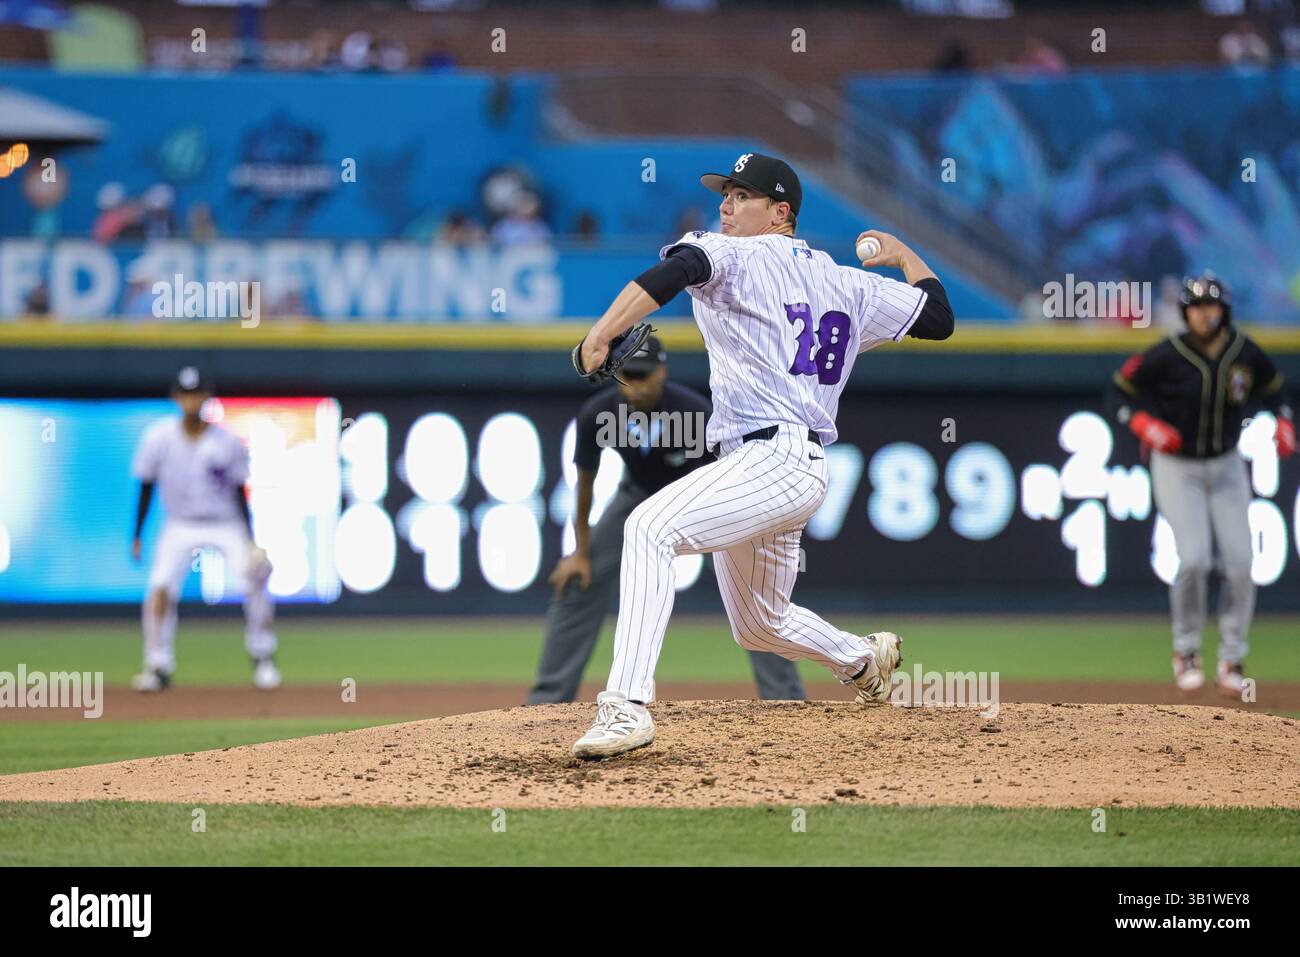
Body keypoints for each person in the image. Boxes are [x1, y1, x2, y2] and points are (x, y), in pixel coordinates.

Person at [568, 151, 955, 758]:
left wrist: (601, 332)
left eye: (742, 195)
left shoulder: (731, 253)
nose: (726, 204)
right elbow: (938, 318)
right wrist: (905, 255)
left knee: (647, 528)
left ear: (781, 213)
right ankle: (861, 658)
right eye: (725, 193)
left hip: (772, 459)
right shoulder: (848, 282)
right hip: (781, 468)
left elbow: (672, 274)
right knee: (758, 625)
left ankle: (625, 708)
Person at [528, 334, 805, 705]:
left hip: (706, 495)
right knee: (578, 577)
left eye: (644, 374)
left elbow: (736, 473)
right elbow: (584, 487)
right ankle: (545, 704)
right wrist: (580, 551)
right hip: (639, 494)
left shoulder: (696, 412)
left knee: (755, 590)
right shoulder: (599, 414)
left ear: (662, 372)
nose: (636, 384)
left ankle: (785, 700)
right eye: (628, 374)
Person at [1107, 274, 1294, 697]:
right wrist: (1143, 422)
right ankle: (1186, 651)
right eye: (1195, 306)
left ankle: (1232, 658)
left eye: (1210, 306)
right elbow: (1119, 392)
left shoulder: (1244, 352)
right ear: (1184, 311)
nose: (1202, 313)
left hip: (1226, 464)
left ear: (1223, 310)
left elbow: (1276, 389)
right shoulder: (1166, 354)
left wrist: (1284, 420)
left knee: (1242, 563)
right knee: (1192, 559)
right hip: (1177, 466)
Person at [129, 367, 281, 692]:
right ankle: (157, 665)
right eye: (185, 394)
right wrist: (137, 534)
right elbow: (145, 486)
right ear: (175, 397)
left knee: (256, 577)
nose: (191, 400)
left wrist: (251, 537)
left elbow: (241, 491)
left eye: (197, 393)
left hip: (224, 522)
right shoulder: (159, 437)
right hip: (180, 524)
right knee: (159, 589)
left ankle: (263, 656)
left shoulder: (226, 441)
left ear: (206, 397)